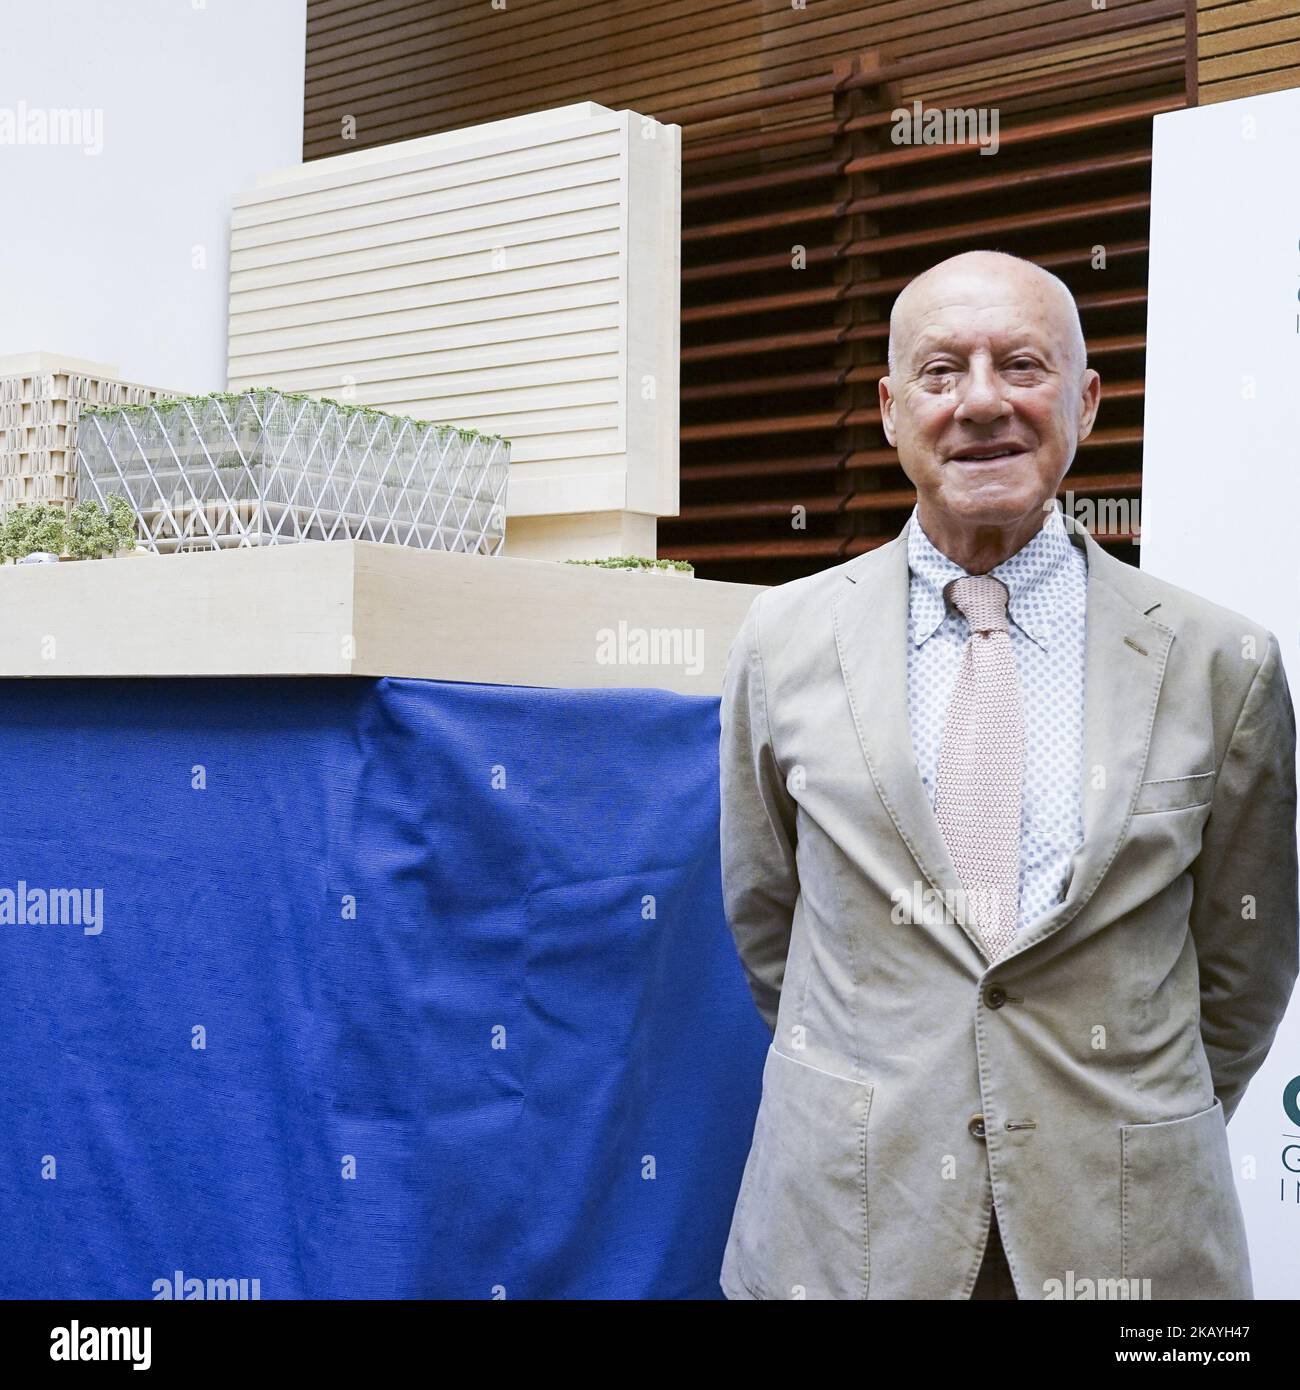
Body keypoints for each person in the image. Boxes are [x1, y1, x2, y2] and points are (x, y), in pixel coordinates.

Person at [717, 250, 1298, 1300]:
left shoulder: (1222, 662)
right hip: (851, 1224)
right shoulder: (781, 637)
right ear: (892, 411)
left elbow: (1242, 963)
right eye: (942, 372)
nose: (982, 401)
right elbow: (769, 917)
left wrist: (1113, 1111)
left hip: (1125, 1230)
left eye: (1021, 365)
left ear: (1083, 399)